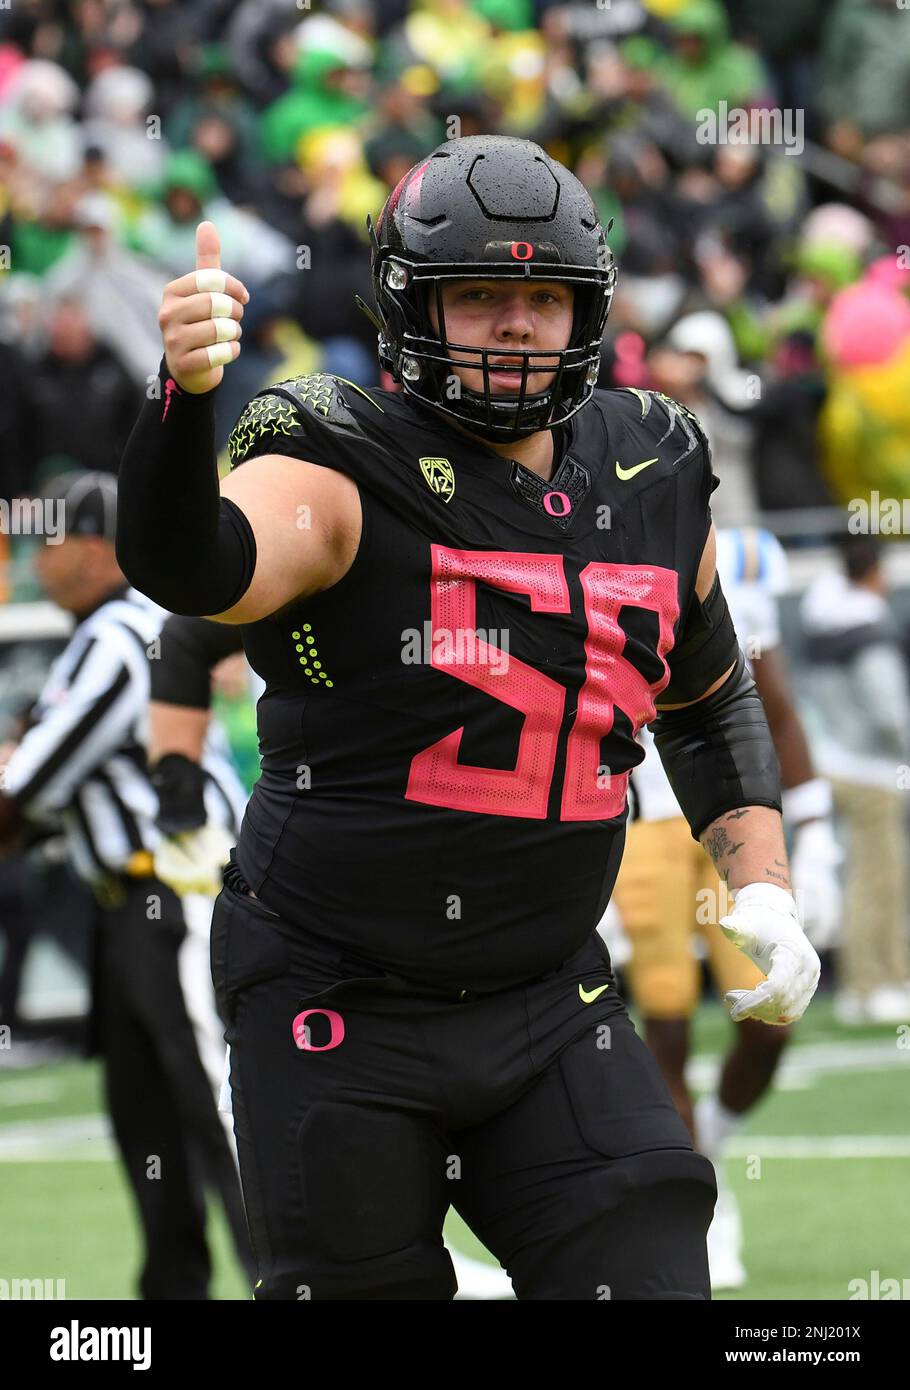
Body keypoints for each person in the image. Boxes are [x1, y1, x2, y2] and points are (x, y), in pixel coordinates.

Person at [116, 135, 820, 1301]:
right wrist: (181, 403)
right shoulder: (336, 446)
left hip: (548, 991)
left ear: (585, 309)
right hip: (336, 995)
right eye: (478, 294)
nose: (514, 324)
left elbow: (707, 694)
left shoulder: (651, 460)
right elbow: (200, 566)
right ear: (408, 306)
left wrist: (762, 879)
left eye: (542, 297)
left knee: (650, 1269)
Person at [0, 470, 254, 1299]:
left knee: (220, 1110)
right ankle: (171, 1294)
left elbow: (28, 786)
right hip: (128, 909)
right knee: (146, 1117)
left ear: (100, 548)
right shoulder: (113, 633)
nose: (43, 560)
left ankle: (289, 1282)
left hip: (176, 900)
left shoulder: (121, 634)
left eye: (54, 541)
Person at [607, 524, 841, 1289]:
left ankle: (708, 1136)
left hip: (735, 817)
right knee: (665, 1028)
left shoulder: (740, 555)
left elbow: (770, 702)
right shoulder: (583, 536)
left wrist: (811, 833)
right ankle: (703, 1196)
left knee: (777, 1016)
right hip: (637, 823)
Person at [801, 535, 910, 1024]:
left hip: (833, 760)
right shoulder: (866, 626)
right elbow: (889, 713)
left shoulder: (823, 612)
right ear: (875, 572)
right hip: (870, 773)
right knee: (879, 880)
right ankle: (873, 986)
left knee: (864, 878)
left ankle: (868, 984)